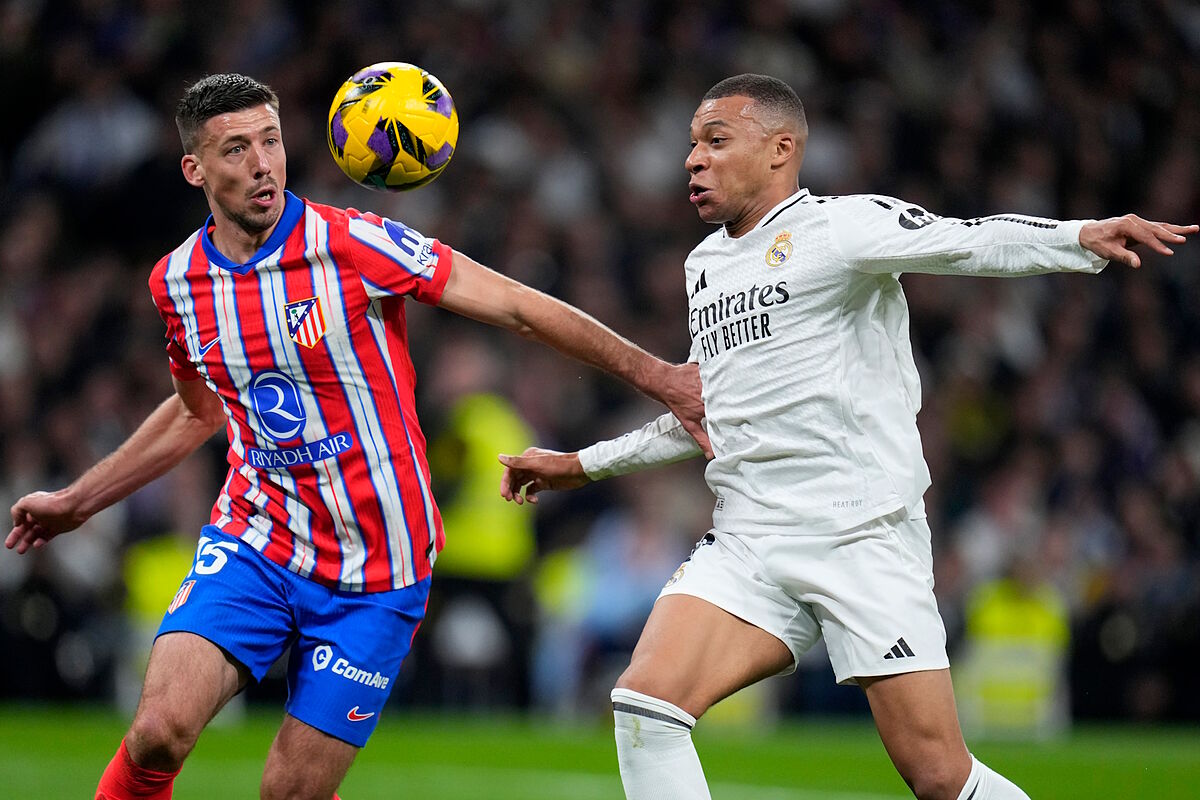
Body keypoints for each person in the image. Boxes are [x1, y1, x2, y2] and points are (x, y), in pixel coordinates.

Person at [4, 73, 707, 800]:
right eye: (236, 148)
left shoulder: (354, 245)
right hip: (258, 539)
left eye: (270, 142)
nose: (261, 163)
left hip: (379, 567)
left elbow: (519, 306)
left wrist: (659, 376)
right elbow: (196, 410)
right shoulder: (177, 281)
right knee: (156, 733)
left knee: (290, 793)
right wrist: (79, 500)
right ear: (195, 169)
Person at [498, 73, 1196, 800]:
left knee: (938, 777)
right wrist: (583, 463)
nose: (692, 160)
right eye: (691, 145)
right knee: (646, 705)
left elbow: (965, 243)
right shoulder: (703, 267)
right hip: (751, 539)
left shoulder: (839, 227)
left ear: (780, 149)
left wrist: (1077, 235)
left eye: (715, 141)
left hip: (861, 534)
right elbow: (712, 410)